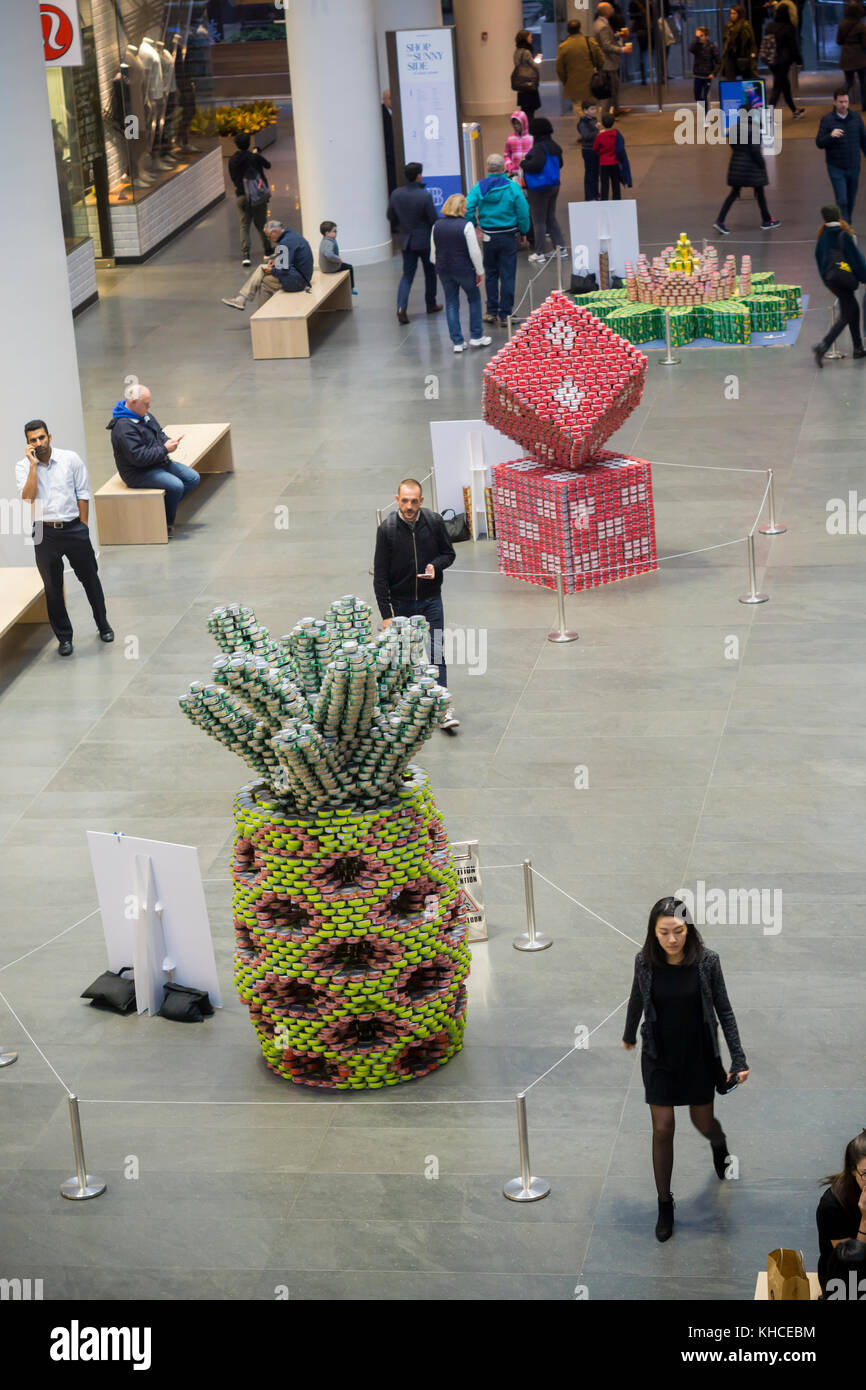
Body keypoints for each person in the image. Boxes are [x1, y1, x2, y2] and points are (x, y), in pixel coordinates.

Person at [622, 896, 749, 1242]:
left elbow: (724, 1009)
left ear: (689, 929)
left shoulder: (707, 962)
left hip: (698, 1056)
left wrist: (738, 1058)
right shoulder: (644, 962)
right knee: (663, 1128)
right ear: (653, 933)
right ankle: (665, 1203)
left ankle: (718, 1143)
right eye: (664, 932)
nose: (673, 939)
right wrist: (629, 1032)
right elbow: (637, 996)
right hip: (659, 1058)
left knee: (701, 1121)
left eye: (678, 931)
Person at [15, 420, 113, 656]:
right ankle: (64, 638)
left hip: (73, 528)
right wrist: (32, 466)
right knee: (53, 588)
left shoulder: (70, 459)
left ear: (49, 436)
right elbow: (28, 497)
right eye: (32, 440)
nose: (38, 443)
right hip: (43, 531)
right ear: (28, 444)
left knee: (90, 578)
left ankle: (103, 625)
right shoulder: (22, 466)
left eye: (41, 438)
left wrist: (83, 527)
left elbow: (83, 493)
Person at [373, 478, 459, 731]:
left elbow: (449, 554)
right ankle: (407, 710)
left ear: (421, 501)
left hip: (431, 600)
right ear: (397, 499)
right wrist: (386, 614)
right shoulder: (387, 530)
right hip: (400, 605)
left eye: (414, 501)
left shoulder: (433, 522)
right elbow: (380, 576)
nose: (409, 506)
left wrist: (435, 566)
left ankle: (441, 709)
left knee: (436, 654)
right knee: (403, 660)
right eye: (405, 500)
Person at [106, 383, 199, 535]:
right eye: (146, 404)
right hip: (139, 472)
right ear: (134, 402)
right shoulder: (123, 428)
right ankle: (165, 523)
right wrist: (164, 449)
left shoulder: (144, 415)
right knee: (176, 486)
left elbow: (159, 433)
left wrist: (168, 442)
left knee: (192, 478)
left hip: (157, 463)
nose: (149, 407)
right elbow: (138, 458)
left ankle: (162, 509)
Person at [466, 153, 531, 327]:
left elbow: (468, 207)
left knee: (491, 273)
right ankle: (506, 314)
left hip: (488, 236)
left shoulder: (479, 187)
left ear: (487, 168)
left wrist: (474, 225)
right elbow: (523, 210)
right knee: (508, 274)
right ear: (504, 168)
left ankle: (491, 311)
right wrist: (524, 230)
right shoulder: (512, 186)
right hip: (509, 236)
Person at [430, 194, 489, 353]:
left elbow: (433, 253)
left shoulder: (437, 225)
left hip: (444, 270)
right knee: (474, 299)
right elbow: (474, 252)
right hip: (464, 270)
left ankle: (457, 342)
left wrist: (440, 266)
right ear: (461, 208)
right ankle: (476, 336)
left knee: (451, 302)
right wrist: (480, 271)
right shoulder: (467, 225)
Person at [387, 163, 442, 325]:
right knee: (430, 273)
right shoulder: (424, 196)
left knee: (407, 276)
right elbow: (433, 219)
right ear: (419, 175)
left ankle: (401, 308)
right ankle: (430, 304)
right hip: (424, 241)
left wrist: (401, 228)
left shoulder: (396, 194)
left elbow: (390, 215)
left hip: (406, 241)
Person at [811, 203, 866, 364]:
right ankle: (824, 345)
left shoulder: (822, 237)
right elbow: (856, 260)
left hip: (832, 280)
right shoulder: (843, 235)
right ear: (838, 216)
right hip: (845, 280)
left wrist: (827, 283)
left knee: (853, 309)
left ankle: (858, 348)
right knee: (847, 314)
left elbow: (819, 261)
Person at [221, 219, 314, 310]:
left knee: (264, 281)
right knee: (263, 274)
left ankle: (250, 305)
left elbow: (283, 270)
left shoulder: (285, 243)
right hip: (303, 277)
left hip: (298, 282)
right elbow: (291, 261)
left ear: (274, 232)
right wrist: (276, 262)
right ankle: (244, 301)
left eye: (269, 236)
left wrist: (272, 270)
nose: (269, 239)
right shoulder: (292, 236)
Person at [713, 105, 780, 232]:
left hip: (736, 164)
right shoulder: (753, 129)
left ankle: (720, 220)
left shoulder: (733, 129)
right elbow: (755, 150)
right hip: (752, 166)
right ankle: (766, 220)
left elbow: (733, 146)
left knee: (734, 193)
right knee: (760, 192)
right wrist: (762, 164)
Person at [816, 1130, 866, 1293]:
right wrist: (865, 1221)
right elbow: (850, 1269)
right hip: (842, 1282)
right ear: (852, 1170)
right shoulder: (832, 1205)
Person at [521, 118, 568, 261]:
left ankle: (540, 253)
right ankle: (561, 248)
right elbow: (560, 164)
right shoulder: (554, 146)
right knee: (550, 218)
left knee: (538, 220)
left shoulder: (539, 148)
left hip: (539, 189)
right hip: (554, 185)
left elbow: (536, 166)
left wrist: (523, 163)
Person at [817, 88, 866, 223]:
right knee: (842, 200)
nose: (843, 105)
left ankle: (846, 224)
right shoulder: (827, 120)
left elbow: (864, 140)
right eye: (840, 102)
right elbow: (819, 143)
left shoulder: (856, 118)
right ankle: (846, 229)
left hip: (854, 166)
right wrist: (830, 136)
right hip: (836, 167)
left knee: (851, 199)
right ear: (834, 102)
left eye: (846, 101)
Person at [226, 132, 271, 267]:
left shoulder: (232, 160)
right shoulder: (254, 157)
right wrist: (257, 154)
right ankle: (267, 251)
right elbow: (268, 165)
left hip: (241, 196)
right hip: (257, 196)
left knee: (244, 225)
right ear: (249, 143)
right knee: (261, 223)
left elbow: (233, 178)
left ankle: (246, 255)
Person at [555, 19, 604, 116]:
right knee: (593, 108)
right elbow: (601, 60)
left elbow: (559, 69)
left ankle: (583, 129)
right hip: (591, 82)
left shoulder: (563, 47)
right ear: (580, 29)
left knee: (578, 109)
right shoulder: (589, 42)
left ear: (568, 31)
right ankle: (595, 128)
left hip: (573, 84)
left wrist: (566, 81)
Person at [763, 7, 806, 117]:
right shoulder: (788, 28)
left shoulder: (769, 26)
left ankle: (794, 111)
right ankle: (767, 116)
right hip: (783, 61)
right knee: (777, 88)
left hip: (771, 60)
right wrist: (799, 60)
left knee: (785, 86)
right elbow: (793, 47)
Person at [593, 4, 632, 118]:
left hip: (606, 61)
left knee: (614, 86)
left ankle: (615, 109)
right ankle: (608, 114)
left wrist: (617, 35)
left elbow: (605, 40)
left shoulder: (599, 23)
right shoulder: (603, 25)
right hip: (608, 62)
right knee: (611, 88)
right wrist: (623, 49)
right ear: (606, 11)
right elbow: (606, 46)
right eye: (610, 8)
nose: (613, 10)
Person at [837, 3, 866, 110]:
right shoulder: (861, 26)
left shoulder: (842, 24)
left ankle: (839, 102)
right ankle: (865, 105)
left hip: (846, 56)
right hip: (859, 57)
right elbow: (864, 44)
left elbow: (839, 41)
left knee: (849, 82)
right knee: (863, 82)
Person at [318, 220, 357, 294]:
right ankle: (351, 288)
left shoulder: (325, 240)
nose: (336, 233)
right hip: (330, 268)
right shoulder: (329, 242)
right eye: (334, 231)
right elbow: (328, 254)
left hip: (324, 267)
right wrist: (338, 259)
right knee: (349, 267)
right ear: (327, 233)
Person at [511, 30, 541, 121]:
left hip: (521, 86)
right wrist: (537, 60)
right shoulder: (527, 52)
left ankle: (525, 127)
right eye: (530, 37)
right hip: (529, 84)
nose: (531, 39)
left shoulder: (516, 52)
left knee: (524, 109)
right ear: (525, 38)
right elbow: (534, 66)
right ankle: (530, 130)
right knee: (530, 111)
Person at [721, 4, 757, 79]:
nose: (732, 15)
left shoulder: (745, 25)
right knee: (730, 80)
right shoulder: (728, 26)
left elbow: (752, 42)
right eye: (731, 13)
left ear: (739, 14)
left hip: (743, 55)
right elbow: (725, 41)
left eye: (734, 13)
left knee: (747, 80)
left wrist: (753, 55)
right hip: (731, 56)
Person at [594, 111, 623, 199]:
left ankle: (604, 200)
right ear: (613, 122)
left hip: (604, 163)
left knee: (604, 184)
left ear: (602, 123)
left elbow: (595, 148)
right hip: (614, 162)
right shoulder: (616, 134)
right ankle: (617, 199)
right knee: (615, 183)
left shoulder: (600, 136)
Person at [690, 26, 720, 108]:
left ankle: (706, 115)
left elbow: (718, 62)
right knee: (697, 96)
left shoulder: (711, 46)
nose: (699, 37)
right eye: (697, 36)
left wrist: (714, 73)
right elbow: (691, 49)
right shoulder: (696, 46)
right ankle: (703, 111)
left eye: (701, 35)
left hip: (707, 75)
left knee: (705, 96)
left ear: (707, 36)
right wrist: (696, 39)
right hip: (697, 75)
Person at [578, 100, 601, 200]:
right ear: (585, 111)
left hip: (595, 149)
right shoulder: (582, 123)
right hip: (588, 150)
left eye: (595, 108)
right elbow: (586, 136)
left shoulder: (594, 120)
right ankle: (589, 195)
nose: (594, 111)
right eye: (591, 109)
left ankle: (595, 193)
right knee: (590, 174)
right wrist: (596, 130)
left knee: (596, 173)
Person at [504, 109, 533, 177]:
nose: (516, 126)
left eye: (518, 123)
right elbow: (506, 155)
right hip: (515, 173)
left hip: (529, 172)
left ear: (524, 123)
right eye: (514, 123)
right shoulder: (510, 138)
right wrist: (509, 165)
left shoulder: (531, 138)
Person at [628, 0, 649, 83]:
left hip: (641, 30)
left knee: (642, 54)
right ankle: (645, 76)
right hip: (647, 29)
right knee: (645, 54)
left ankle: (644, 77)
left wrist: (630, 30)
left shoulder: (634, 3)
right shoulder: (645, 2)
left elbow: (632, 19)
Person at [381, 89, 397, 195]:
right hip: (389, 158)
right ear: (384, 100)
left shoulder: (397, 112)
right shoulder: (381, 113)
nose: (393, 101)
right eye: (390, 98)